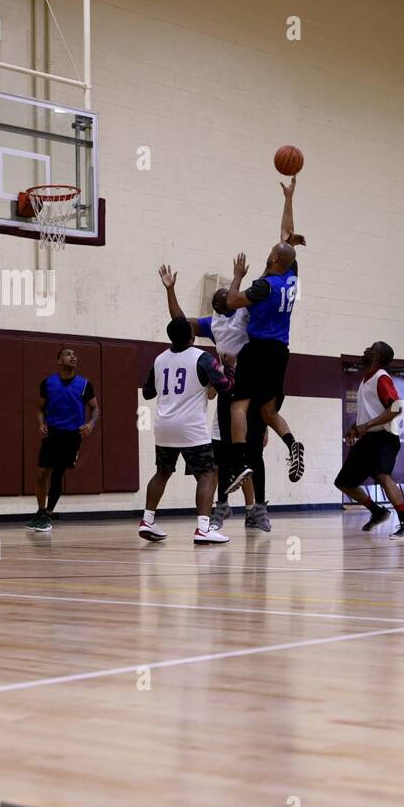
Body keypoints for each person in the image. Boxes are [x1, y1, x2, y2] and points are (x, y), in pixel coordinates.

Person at [159, 264, 271, 532]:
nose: (223, 295)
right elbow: (181, 325)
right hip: (228, 387)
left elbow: (262, 286)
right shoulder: (214, 323)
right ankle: (222, 505)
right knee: (222, 455)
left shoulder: (245, 311)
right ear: (218, 307)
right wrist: (170, 290)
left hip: (252, 386)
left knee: (252, 455)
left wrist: (251, 273)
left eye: (226, 292)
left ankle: (255, 510)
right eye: (220, 297)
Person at [219, 176, 307, 492]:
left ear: (272, 259)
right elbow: (286, 238)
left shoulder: (263, 286)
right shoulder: (292, 277)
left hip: (257, 349)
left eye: (271, 251)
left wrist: (237, 276)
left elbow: (230, 301)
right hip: (281, 351)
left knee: (238, 406)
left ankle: (241, 463)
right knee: (268, 410)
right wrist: (288, 198)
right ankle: (292, 442)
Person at [138, 317, 233, 544]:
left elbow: (148, 393)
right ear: (192, 336)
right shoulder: (203, 358)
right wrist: (229, 368)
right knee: (207, 474)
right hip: (191, 428)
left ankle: (147, 520)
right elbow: (227, 387)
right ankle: (203, 527)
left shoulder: (159, 359)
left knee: (162, 472)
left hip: (164, 426)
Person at [334, 341, 404, 539]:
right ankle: (377, 511)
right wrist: (355, 427)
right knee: (344, 482)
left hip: (384, 438)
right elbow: (371, 412)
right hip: (369, 439)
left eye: (371, 349)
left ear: (378, 357)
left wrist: (368, 425)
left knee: (382, 476)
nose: (366, 350)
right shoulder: (366, 380)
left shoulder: (381, 378)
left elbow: (396, 408)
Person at [26, 347, 99, 532]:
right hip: (52, 433)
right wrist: (41, 422)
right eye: (68, 354)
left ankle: (48, 515)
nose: (73, 356)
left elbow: (95, 409)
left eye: (75, 354)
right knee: (42, 473)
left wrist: (91, 423)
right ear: (59, 361)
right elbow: (40, 408)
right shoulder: (48, 383)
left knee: (58, 473)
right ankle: (41, 512)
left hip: (72, 436)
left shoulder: (84, 384)